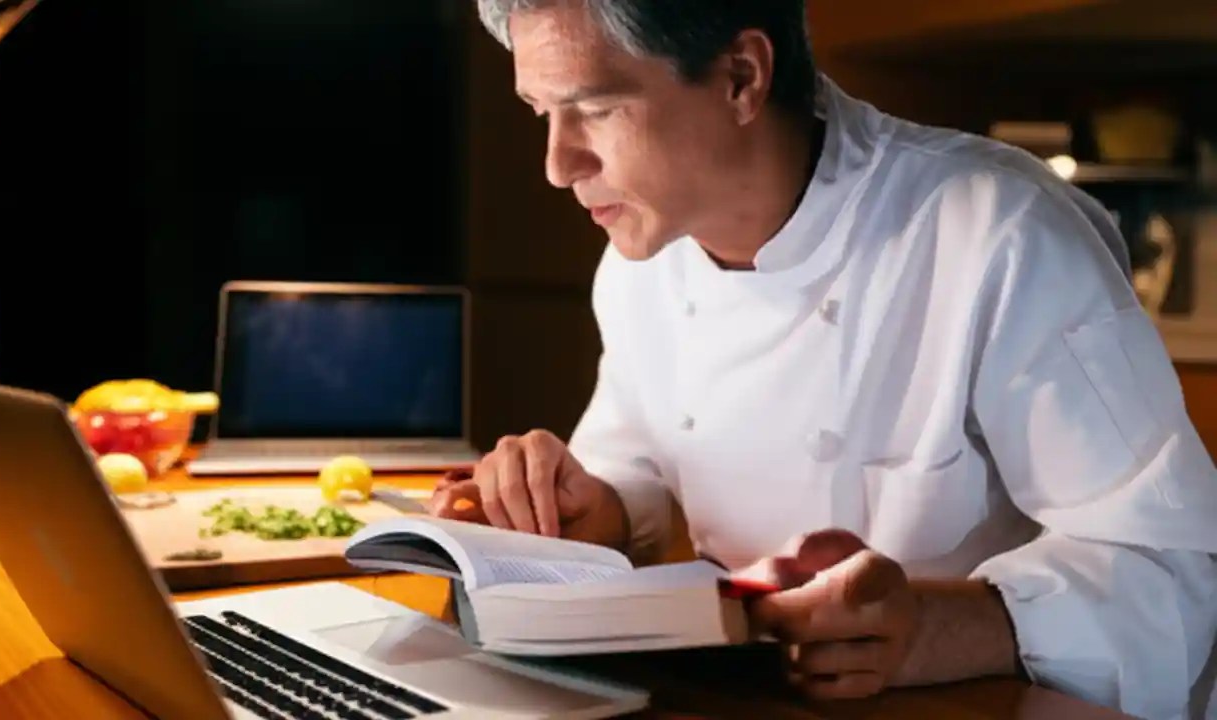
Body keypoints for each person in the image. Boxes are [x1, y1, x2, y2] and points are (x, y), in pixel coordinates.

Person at [432, 2, 1217, 717]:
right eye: (542, 113)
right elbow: (638, 456)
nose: (557, 164)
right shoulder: (642, 260)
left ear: (742, 77)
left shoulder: (998, 234)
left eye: (596, 109)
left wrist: (931, 626)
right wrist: (582, 505)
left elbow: (1174, 572)